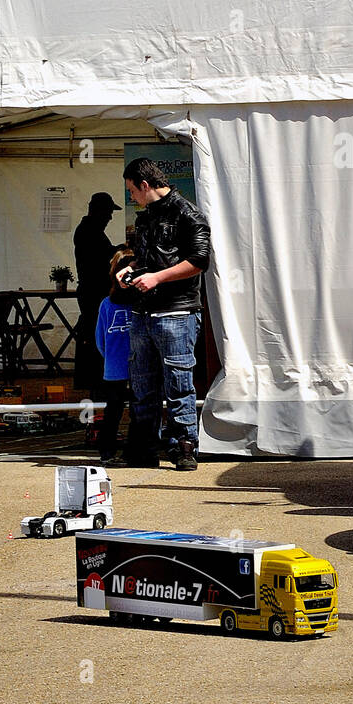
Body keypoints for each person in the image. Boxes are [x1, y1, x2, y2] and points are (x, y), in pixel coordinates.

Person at [114, 158, 211, 470]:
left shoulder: (187, 212)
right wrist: (131, 267)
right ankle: (144, 449)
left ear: (145, 185)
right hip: (145, 311)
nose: (131, 197)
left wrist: (156, 277)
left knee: (178, 381)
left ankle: (184, 448)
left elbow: (199, 260)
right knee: (142, 383)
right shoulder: (145, 218)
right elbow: (147, 258)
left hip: (177, 311)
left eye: (132, 191)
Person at [73, 192, 121, 396]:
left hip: (93, 293)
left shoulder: (91, 230)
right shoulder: (89, 231)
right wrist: (118, 252)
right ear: (99, 211)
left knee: (96, 335)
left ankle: (98, 382)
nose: (110, 217)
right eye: (109, 212)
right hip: (93, 294)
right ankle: (96, 384)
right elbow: (100, 261)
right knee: (95, 337)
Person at [94, 250, 136, 466]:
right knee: (136, 410)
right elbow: (100, 340)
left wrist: (110, 358)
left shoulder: (106, 304)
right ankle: (131, 450)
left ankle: (107, 452)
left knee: (113, 412)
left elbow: (100, 341)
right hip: (131, 366)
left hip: (114, 367)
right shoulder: (136, 303)